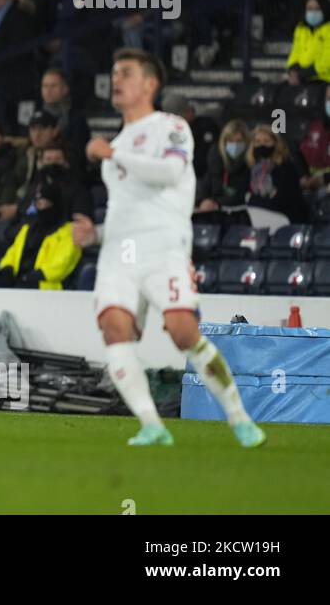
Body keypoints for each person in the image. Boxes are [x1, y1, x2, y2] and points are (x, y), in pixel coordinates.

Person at [72, 47, 265, 448]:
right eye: (114, 72)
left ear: (150, 83)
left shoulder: (171, 126)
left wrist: (115, 153)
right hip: (119, 253)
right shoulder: (117, 146)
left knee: (182, 332)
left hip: (164, 248)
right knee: (114, 329)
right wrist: (95, 235)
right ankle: (150, 424)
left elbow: (171, 172)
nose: (117, 80)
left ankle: (238, 416)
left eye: (126, 72)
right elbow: (127, 211)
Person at [0, 179, 81, 289]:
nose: (41, 208)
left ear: (55, 204)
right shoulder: (28, 228)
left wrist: (35, 276)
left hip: (45, 287)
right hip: (19, 282)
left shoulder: (70, 231)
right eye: (38, 203)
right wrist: (6, 268)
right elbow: (13, 252)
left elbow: (62, 264)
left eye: (45, 203)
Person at [244, 127, 308, 223]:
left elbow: (279, 202)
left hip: (287, 221)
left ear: (276, 144)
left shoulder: (286, 168)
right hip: (260, 220)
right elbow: (242, 197)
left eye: (267, 141)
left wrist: (252, 199)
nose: (262, 145)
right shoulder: (251, 169)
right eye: (257, 142)